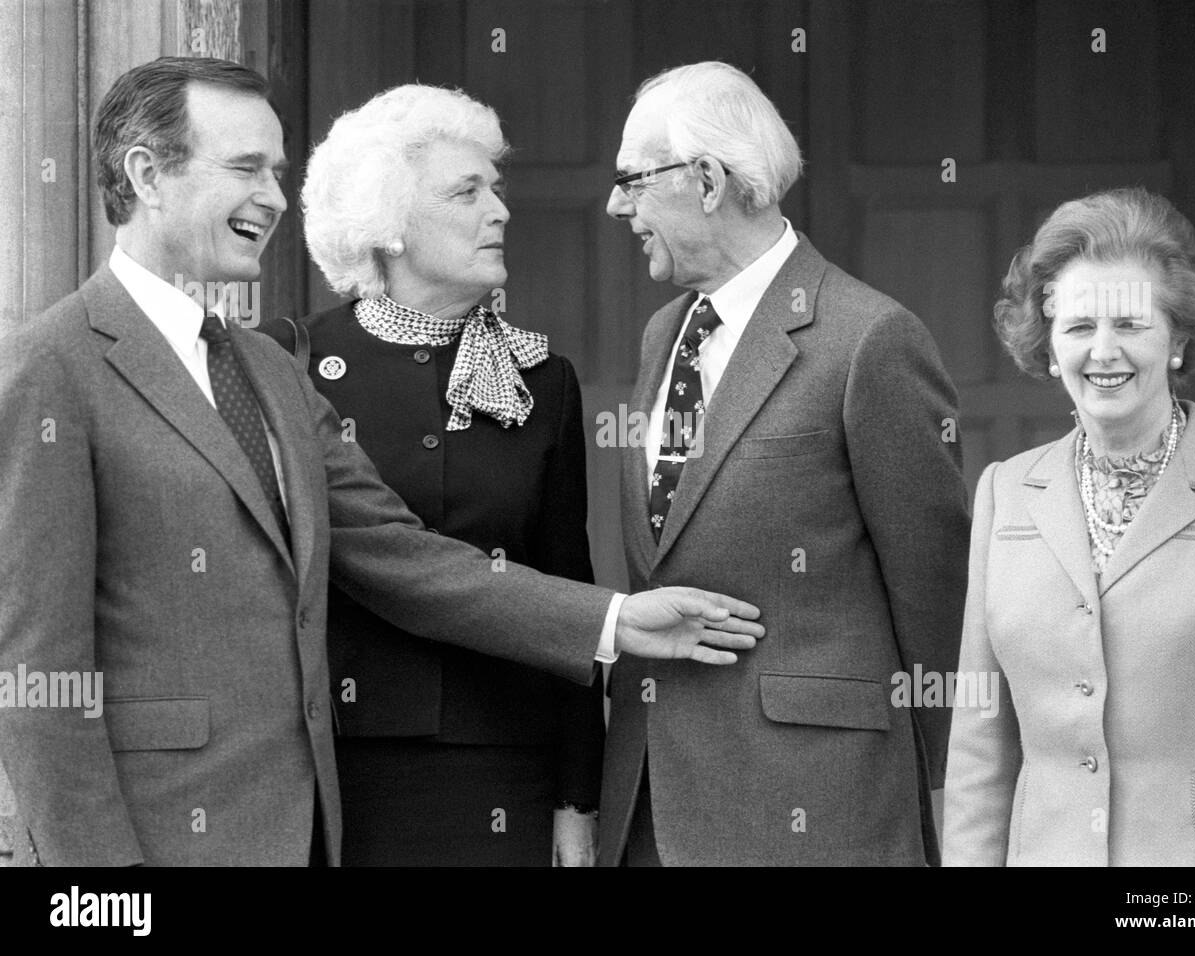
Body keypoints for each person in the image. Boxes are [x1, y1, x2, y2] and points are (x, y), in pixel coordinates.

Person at [0, 56, 763, 868]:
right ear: (148, 175)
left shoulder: (264, 373)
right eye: (245, 168)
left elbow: (404, 558)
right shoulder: (52, 365)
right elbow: (37, 679)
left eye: (278, 170)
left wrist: (612, 621)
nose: (270, 196)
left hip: (307, 835)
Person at [599, 61, 970, 866]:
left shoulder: (869, 338)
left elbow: (935, 585)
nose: (615, 204)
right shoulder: (665, 331)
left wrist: (940, 791)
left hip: (817, 802)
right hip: (650, 804)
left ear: (705, 180)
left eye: (632, 179)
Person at [262, 84, 603, 866]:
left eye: (497, 188)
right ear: (389, 225)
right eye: (467, 191)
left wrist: (576, 798)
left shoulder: (541, 378)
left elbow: (569, 585)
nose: (501, 211)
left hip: (503, 771)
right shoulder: (286, 362)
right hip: (333, 769)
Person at [943, 187, 1195, 866]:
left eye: (1130, 325)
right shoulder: (1005, 494)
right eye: (1079, 327)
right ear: (1049, 348)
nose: (1103, 351)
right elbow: (980, 742)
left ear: (1178, 337)